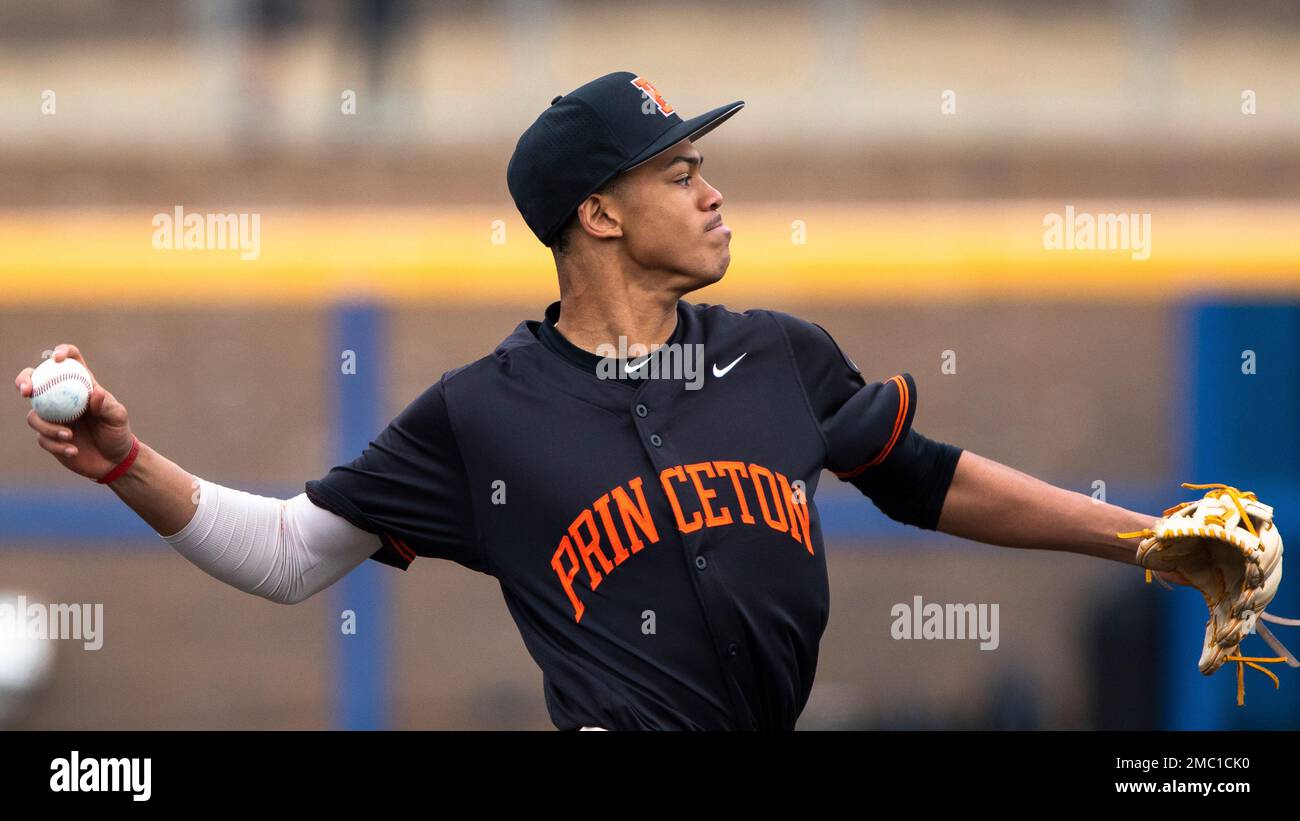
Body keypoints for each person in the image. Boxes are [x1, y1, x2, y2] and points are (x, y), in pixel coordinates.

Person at [13, 72, 1179, 731]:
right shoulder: (482, 413)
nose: (714, 194)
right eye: (679, 174)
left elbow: (930, 476)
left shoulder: (780, 356)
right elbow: (285, 551)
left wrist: (1148, 539)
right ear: (601, 216)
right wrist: (126, 460)